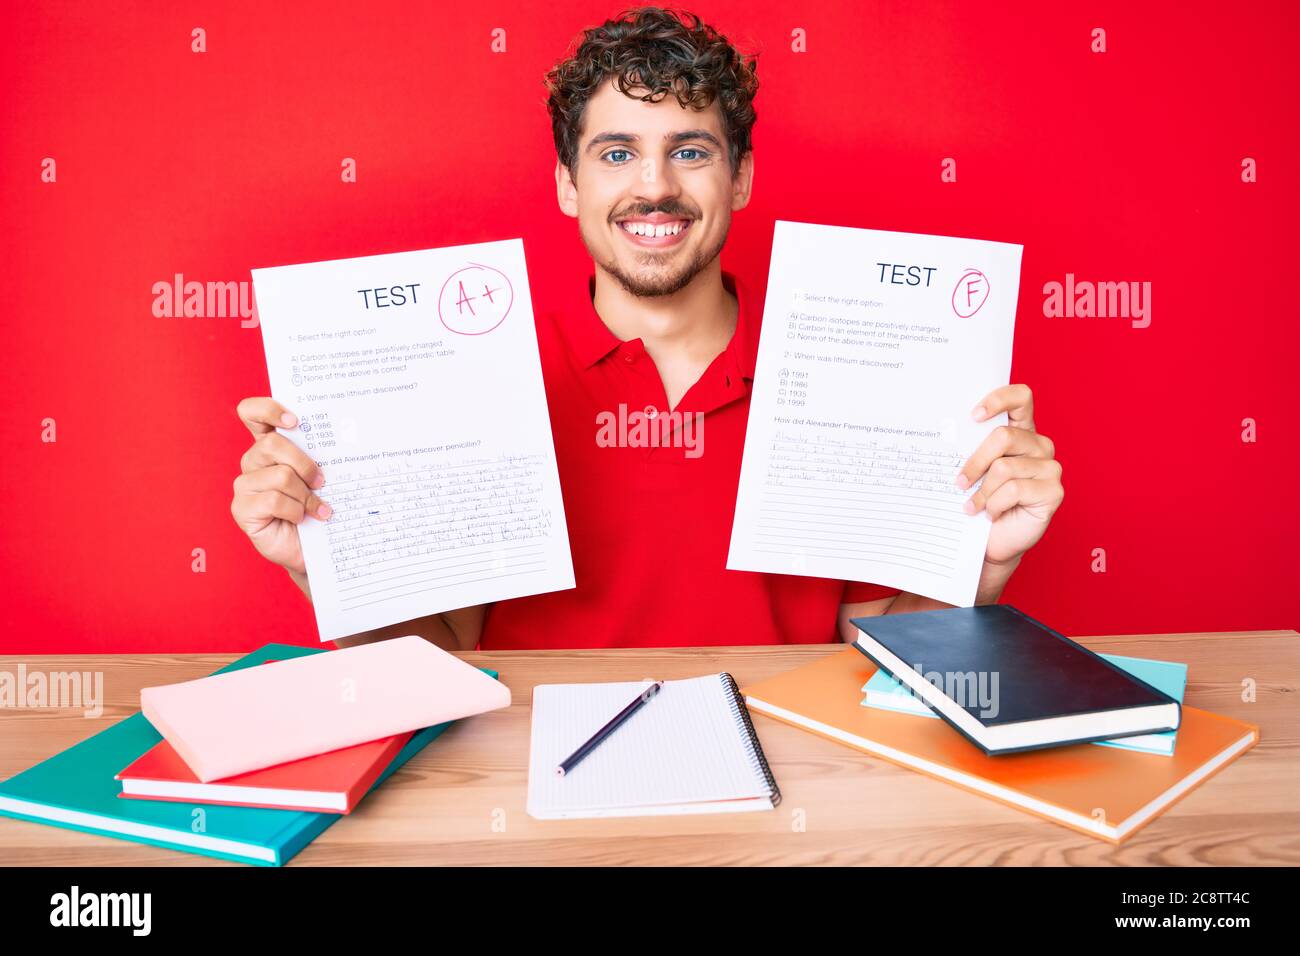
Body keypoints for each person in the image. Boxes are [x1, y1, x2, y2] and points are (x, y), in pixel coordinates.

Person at [230, 7, 1063, 652]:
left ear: (739, 178)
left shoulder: (846, 371)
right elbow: (446, 657)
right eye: (618, 153)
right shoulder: (481, 376)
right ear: (568, 183)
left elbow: (875, 655)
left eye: (691, 151)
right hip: (530, 788)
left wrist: (981, 567)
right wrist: (325, 572)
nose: (655, 187)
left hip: (787, 792)